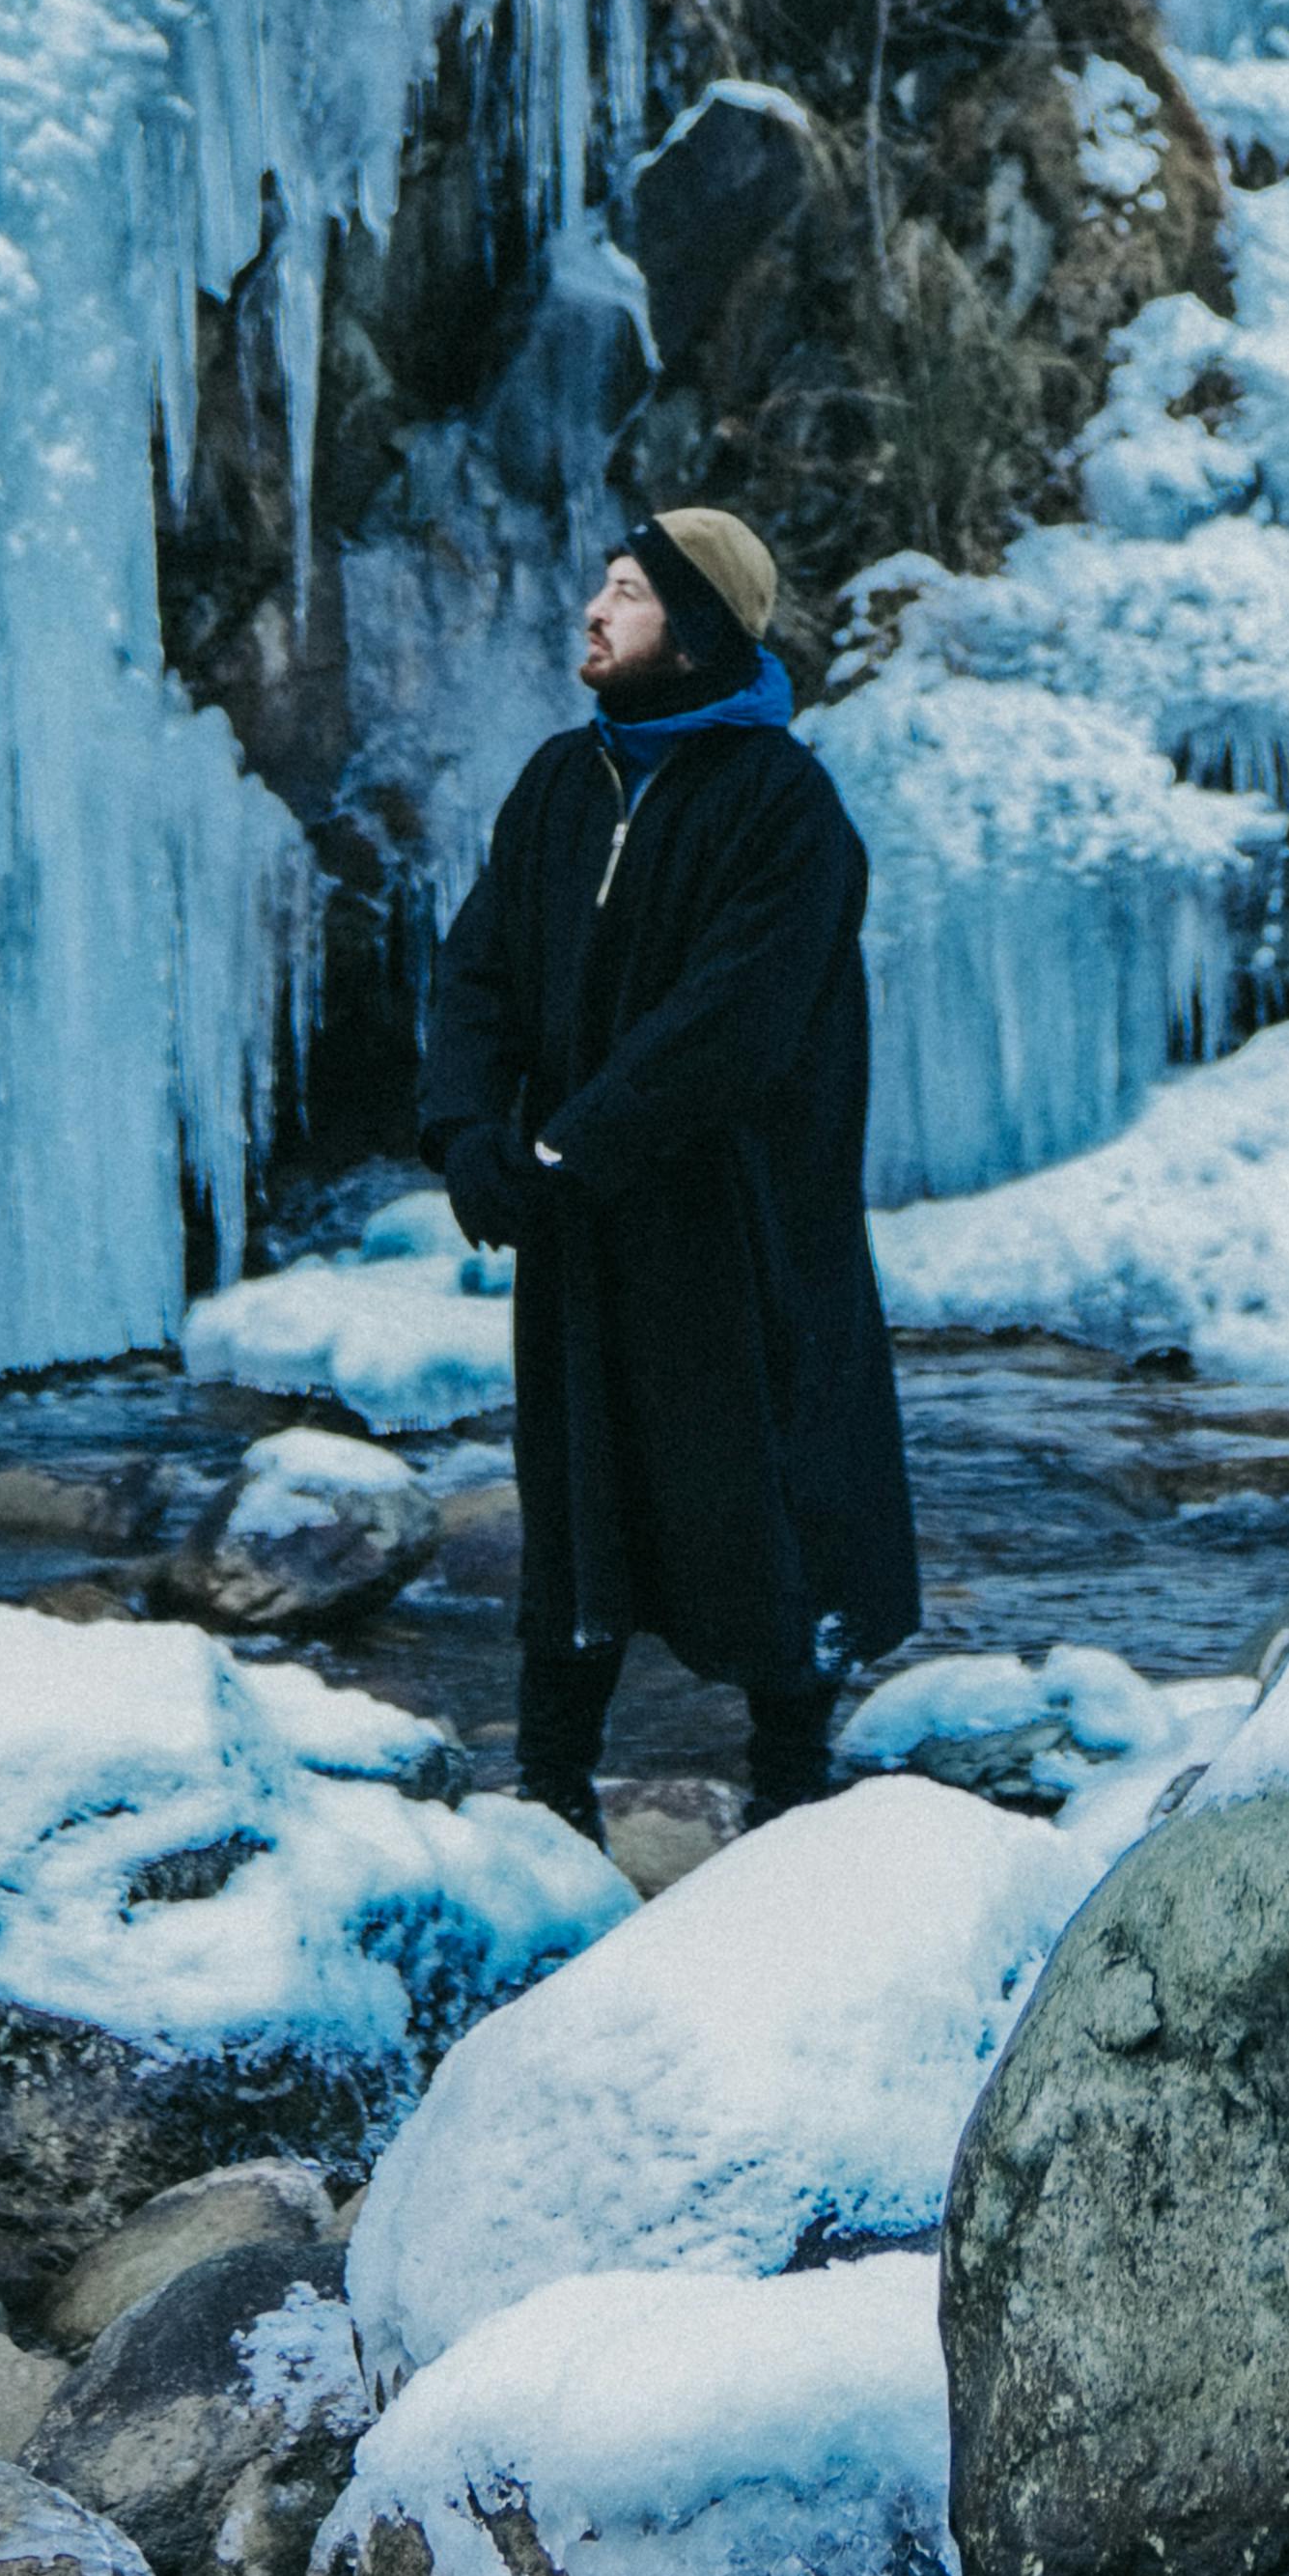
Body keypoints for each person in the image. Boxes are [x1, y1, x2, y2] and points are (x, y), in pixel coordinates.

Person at [420, 498, 920, 1834]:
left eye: (631, 590)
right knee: (575, 1486)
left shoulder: (784, 807)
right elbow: (477, 974)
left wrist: (562, 1146)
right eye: (603, 581)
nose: (595, 607)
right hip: (581, 1224)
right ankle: (547, 1793)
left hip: (737, 1224)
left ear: (694, 631)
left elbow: (730, 1024)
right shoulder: (556, 784)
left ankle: (791, 1801)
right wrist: (468, 1134)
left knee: (755, 1480)